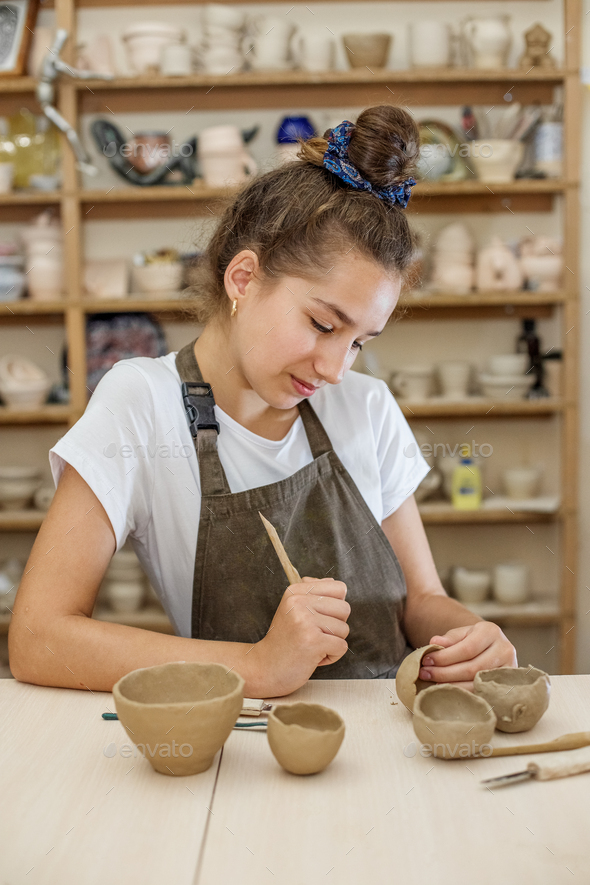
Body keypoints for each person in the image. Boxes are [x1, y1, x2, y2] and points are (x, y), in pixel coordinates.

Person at [9, 105, 516, 697]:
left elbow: (421, 600)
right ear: (244, 279)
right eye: (323, 325)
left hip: (388, 733)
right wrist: (257, 666)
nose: (335, 370)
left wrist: (472, 634)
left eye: (359, 342)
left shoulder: (367, 405)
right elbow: (39, 638)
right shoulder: (142, 403)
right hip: (242, 739)